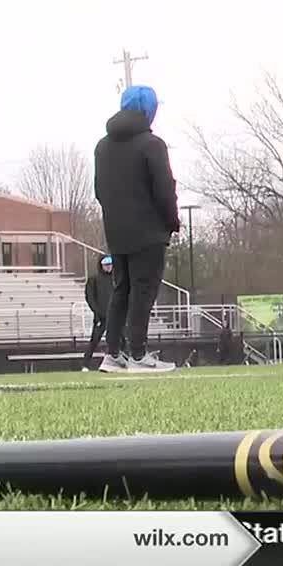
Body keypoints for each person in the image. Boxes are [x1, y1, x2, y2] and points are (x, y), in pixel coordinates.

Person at [94, 85, 180, 374]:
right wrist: (171, 222)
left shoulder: (102, 146)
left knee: (122, 289)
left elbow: (99, 191)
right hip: (149, 232)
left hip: (117, 232)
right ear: (149, 110)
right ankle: (139, 354)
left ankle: (113, 353)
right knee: (143, 291)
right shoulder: (152, 144)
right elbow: (164, 189)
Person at [81, 255, 115, 370]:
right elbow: (90, 297)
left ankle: (119, 362)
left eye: (110, 265)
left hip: (115, 316)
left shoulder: (116, 279)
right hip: (101, 317)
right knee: (95, 340)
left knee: (121, 339)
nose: (108, 267)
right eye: (106, 265)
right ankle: (85, 364)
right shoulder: (94, 280)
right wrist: (97, 312)